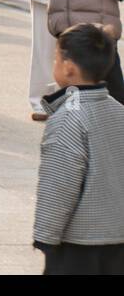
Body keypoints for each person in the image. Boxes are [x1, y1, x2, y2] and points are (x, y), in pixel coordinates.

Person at [32, 23, 124, 274]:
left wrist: (45, 236)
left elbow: (59, 183)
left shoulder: (67, 118)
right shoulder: (118, 110)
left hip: (78, 244)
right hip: (118, 239)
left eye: (56, 58)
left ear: (69, 67)